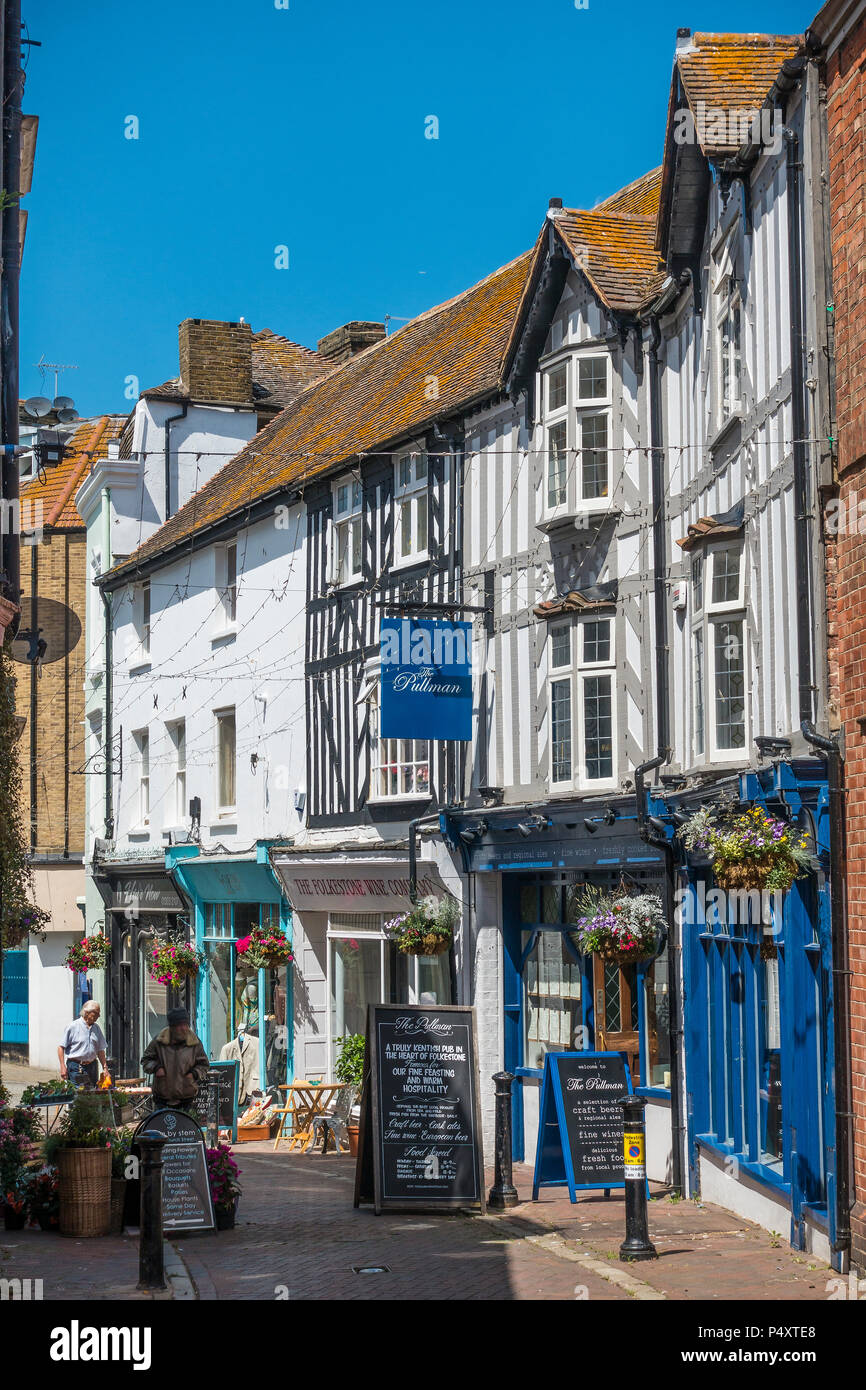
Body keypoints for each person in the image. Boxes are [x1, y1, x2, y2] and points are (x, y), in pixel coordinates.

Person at [140, 1007, 209, 1111]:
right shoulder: (159, 1041)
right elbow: (145, 1060)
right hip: (162, 1100)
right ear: (172, 1027)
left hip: (187, 1099)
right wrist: (156, 1067)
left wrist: (194, 1074)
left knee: (185, 1127)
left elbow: (204, 1065)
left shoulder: (195, 1042)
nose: (184, 1028)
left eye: (185, 1025)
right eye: (180, 1025)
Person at [57, 1002, 108, 1089]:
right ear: (87, 1012)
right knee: (77, 1095)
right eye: (96, 1013)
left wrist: (105, 1067)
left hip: (92, 1066)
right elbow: (61, 1047)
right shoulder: (73, 1026)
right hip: (76, 1067)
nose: (98, 1016)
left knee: (92, 1094)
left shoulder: (96, 1028)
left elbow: (100, 1050)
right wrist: (62, 1066)